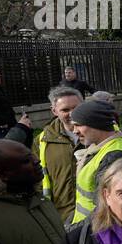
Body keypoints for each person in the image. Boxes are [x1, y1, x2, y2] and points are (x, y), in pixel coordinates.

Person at [70, 100, 122, 224]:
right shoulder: (101, 147)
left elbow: (105, 209)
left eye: (78, 125)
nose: (74, 131)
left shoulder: (114, 156)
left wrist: (74, 232)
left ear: (96, 124)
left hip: (96, 232)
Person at [37, 86, 83, 224]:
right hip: (62, 215)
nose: (72, 114)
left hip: (99, 213)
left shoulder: (103, 133)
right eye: (65, 110)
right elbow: (36, 179)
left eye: (76, 108)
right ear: (54, 111)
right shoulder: (42, 141)